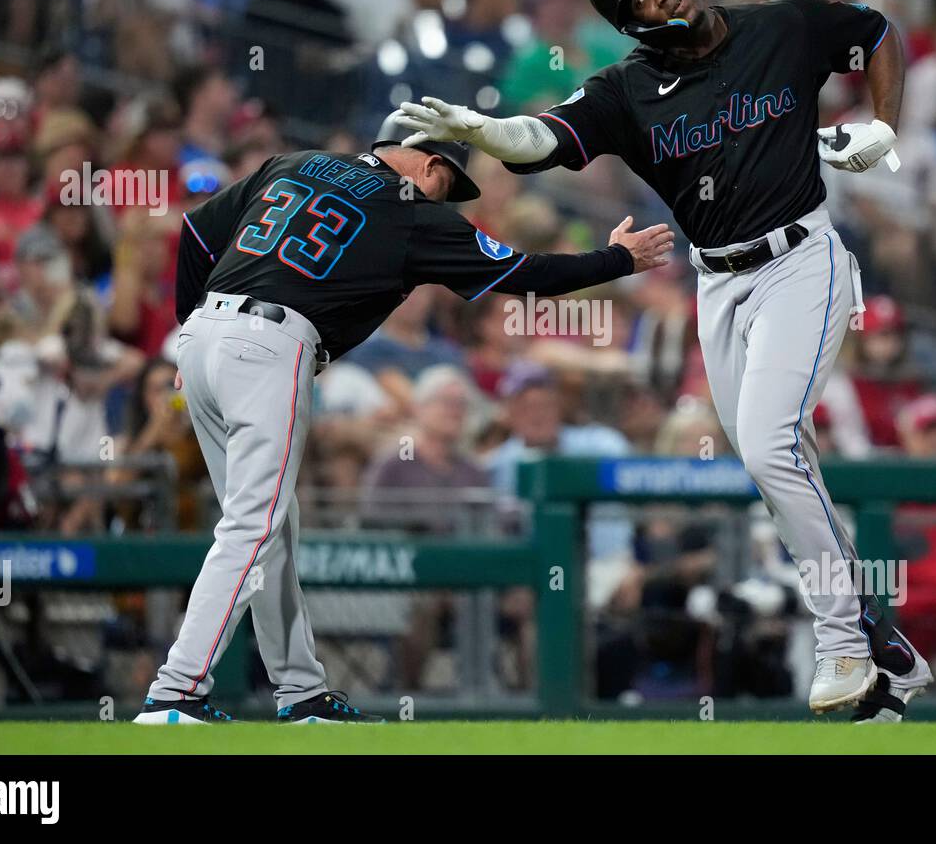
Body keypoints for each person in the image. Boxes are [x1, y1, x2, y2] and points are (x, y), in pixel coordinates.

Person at [391, 0, 931, 719]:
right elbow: (543, 139)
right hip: (717, 280)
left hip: (800, 259)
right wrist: (481, 128)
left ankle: (843, 640)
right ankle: (882, 646)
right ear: (631, 26)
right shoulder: (629, 89)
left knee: (771, 442)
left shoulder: (781, 26)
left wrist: (884, 124)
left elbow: (877, 31)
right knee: (770, 459)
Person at [133, 118, 672, 724]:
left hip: (204, 337)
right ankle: (176, 690)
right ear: (427, 163)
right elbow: (525, 274)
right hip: (270, 346)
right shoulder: (412, 211)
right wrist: (616, 260)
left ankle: (301, 691)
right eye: (449, 180)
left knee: (269, 528)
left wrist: (186, 328)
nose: (448, 192)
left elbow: (196, 233)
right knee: (254, 528)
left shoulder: (293, 163)